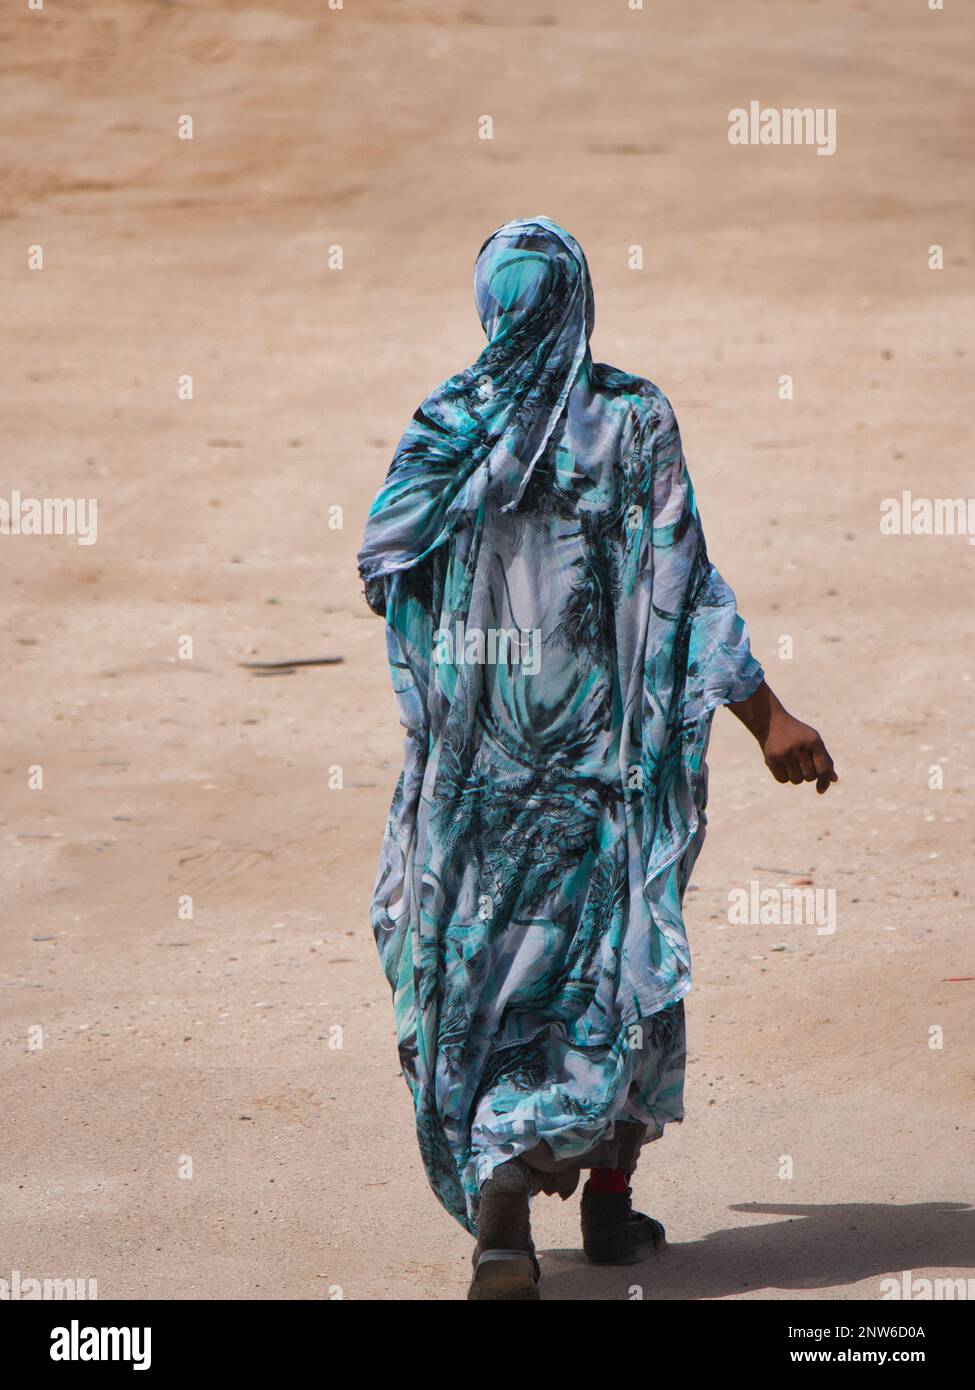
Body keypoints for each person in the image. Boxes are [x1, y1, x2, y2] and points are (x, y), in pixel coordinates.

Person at [356, 217, 836, 1300]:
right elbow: (685, 584)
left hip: (477, 782)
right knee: (615, 959)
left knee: (486, 980)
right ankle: (608, 1206)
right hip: (604, 773)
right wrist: (767, 719)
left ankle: (502, 1215)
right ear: (577, 302)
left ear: (490, 303)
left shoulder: (448, 425)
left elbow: (385, 560)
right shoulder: (633, 417)